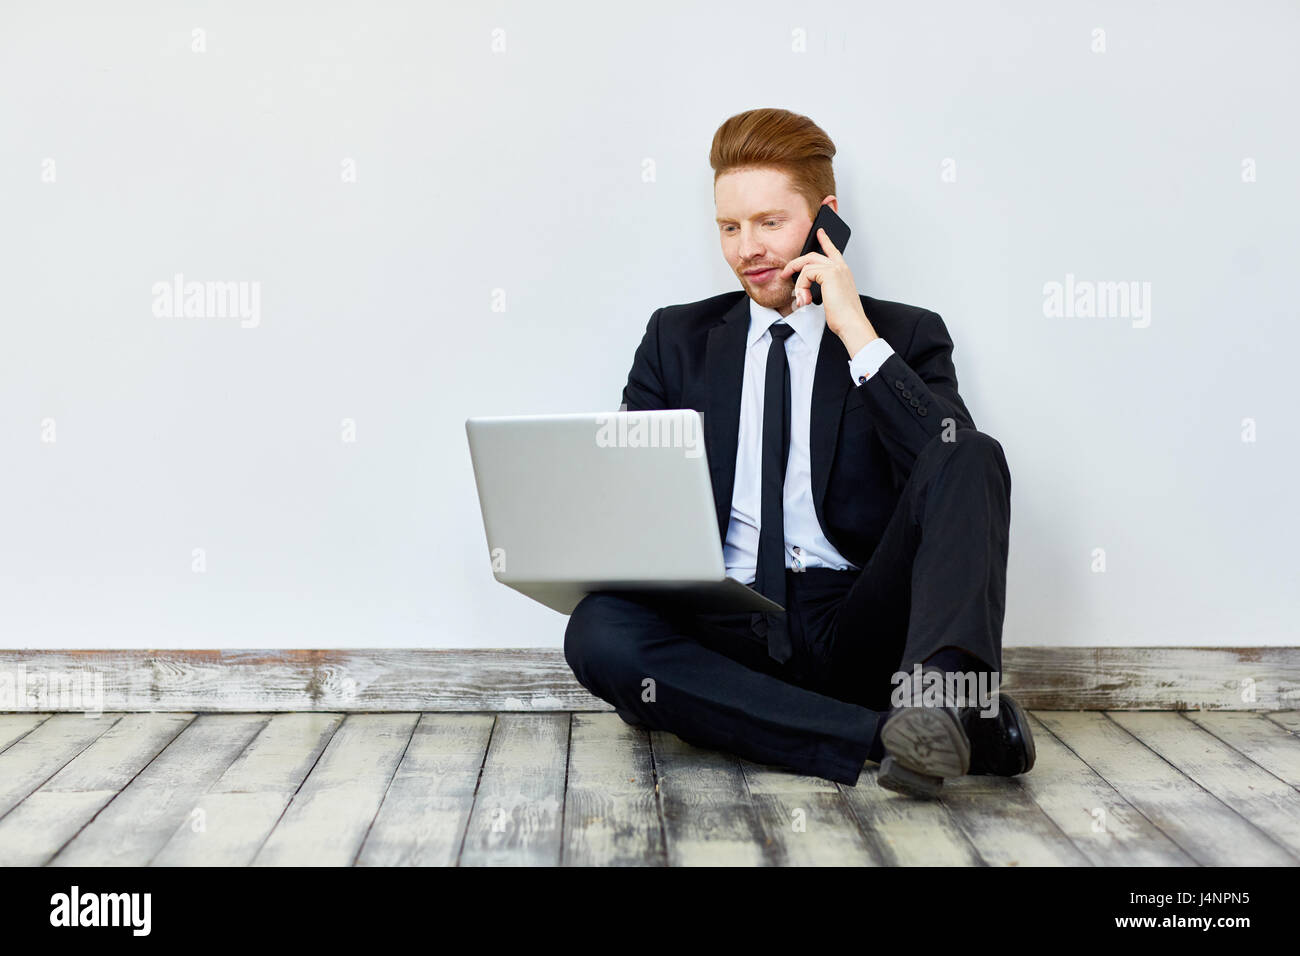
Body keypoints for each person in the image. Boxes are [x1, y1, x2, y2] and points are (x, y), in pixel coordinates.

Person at [563, 108, 1034, 798]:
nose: (747, 248)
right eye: (729, 226)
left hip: (860, 623)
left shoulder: (903, 333)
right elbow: (638, 491)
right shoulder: (676, 339)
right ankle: (905, 735)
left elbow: (949, 468)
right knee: (597, 632)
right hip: (726, 623)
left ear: (825, 219)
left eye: (769, 223)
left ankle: (932, 699)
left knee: (971, 451)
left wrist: (854, 335)